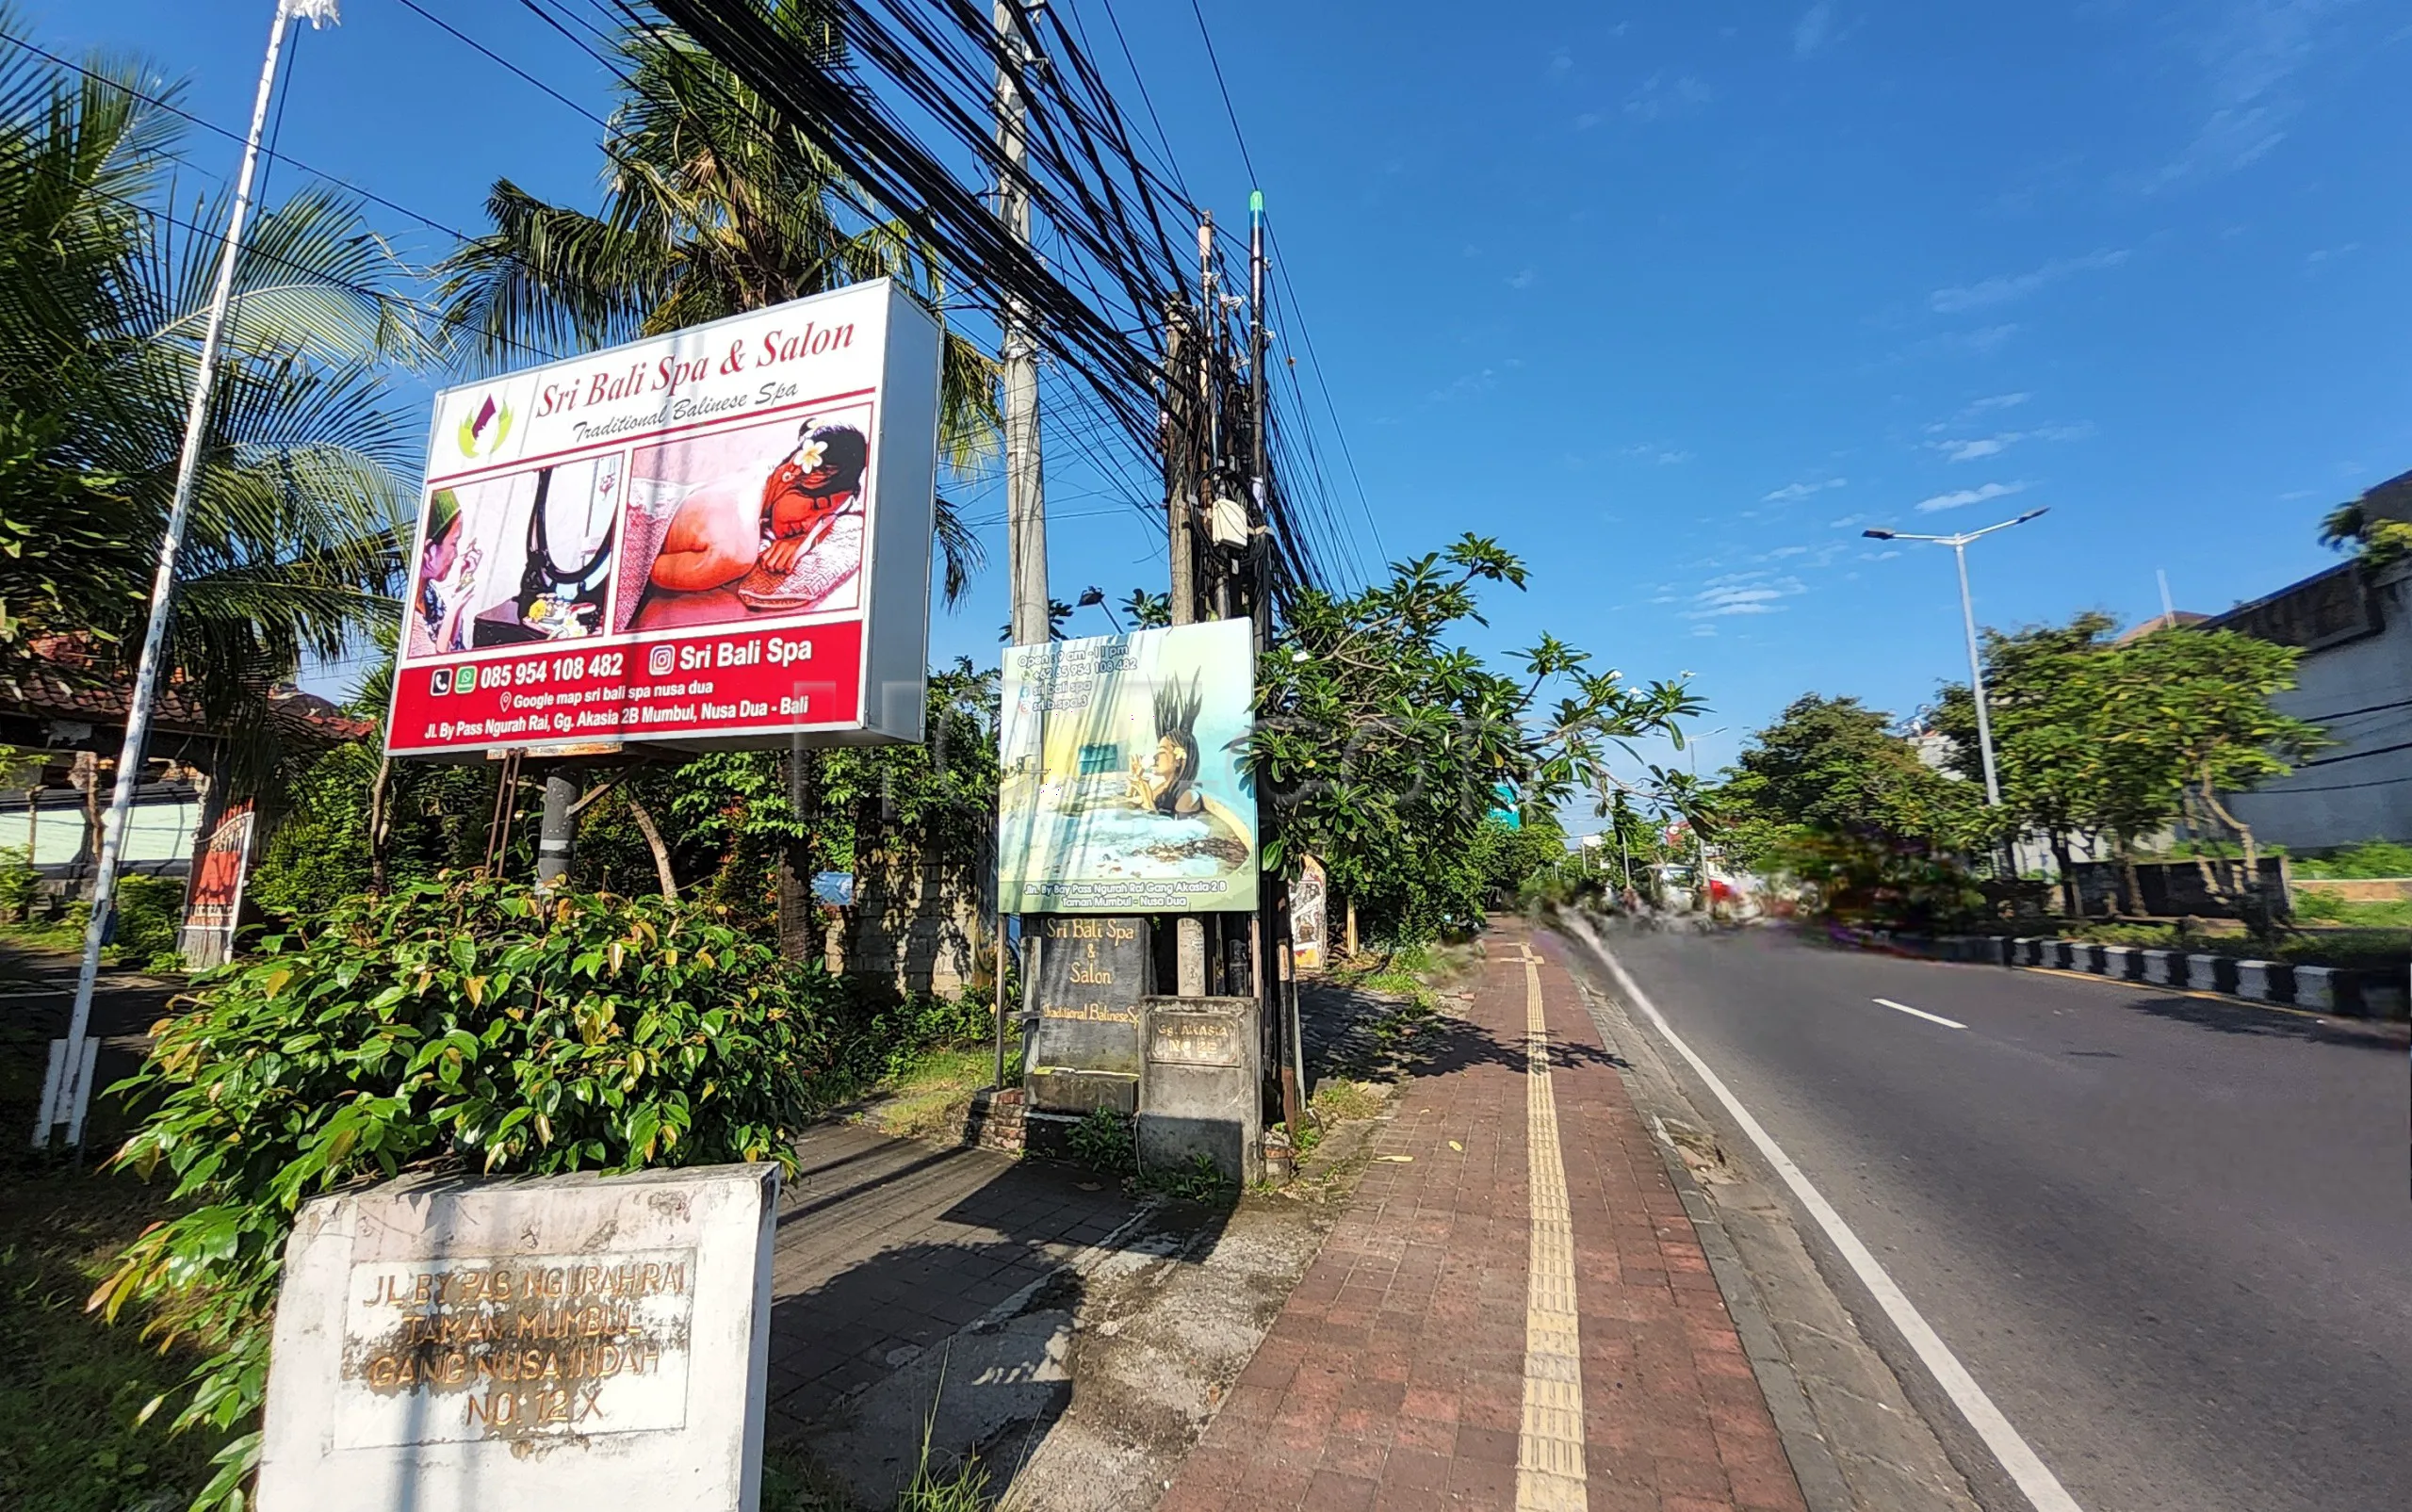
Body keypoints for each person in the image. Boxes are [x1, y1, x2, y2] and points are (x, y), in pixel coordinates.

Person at [414, 490, 480, 655]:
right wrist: (456, 603)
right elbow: (437, 662)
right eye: (454, 543)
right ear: (429, 552)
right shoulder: (412, 620)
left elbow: (452, 643)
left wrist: (462, 583)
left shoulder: (429, 595)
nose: (456, 554)